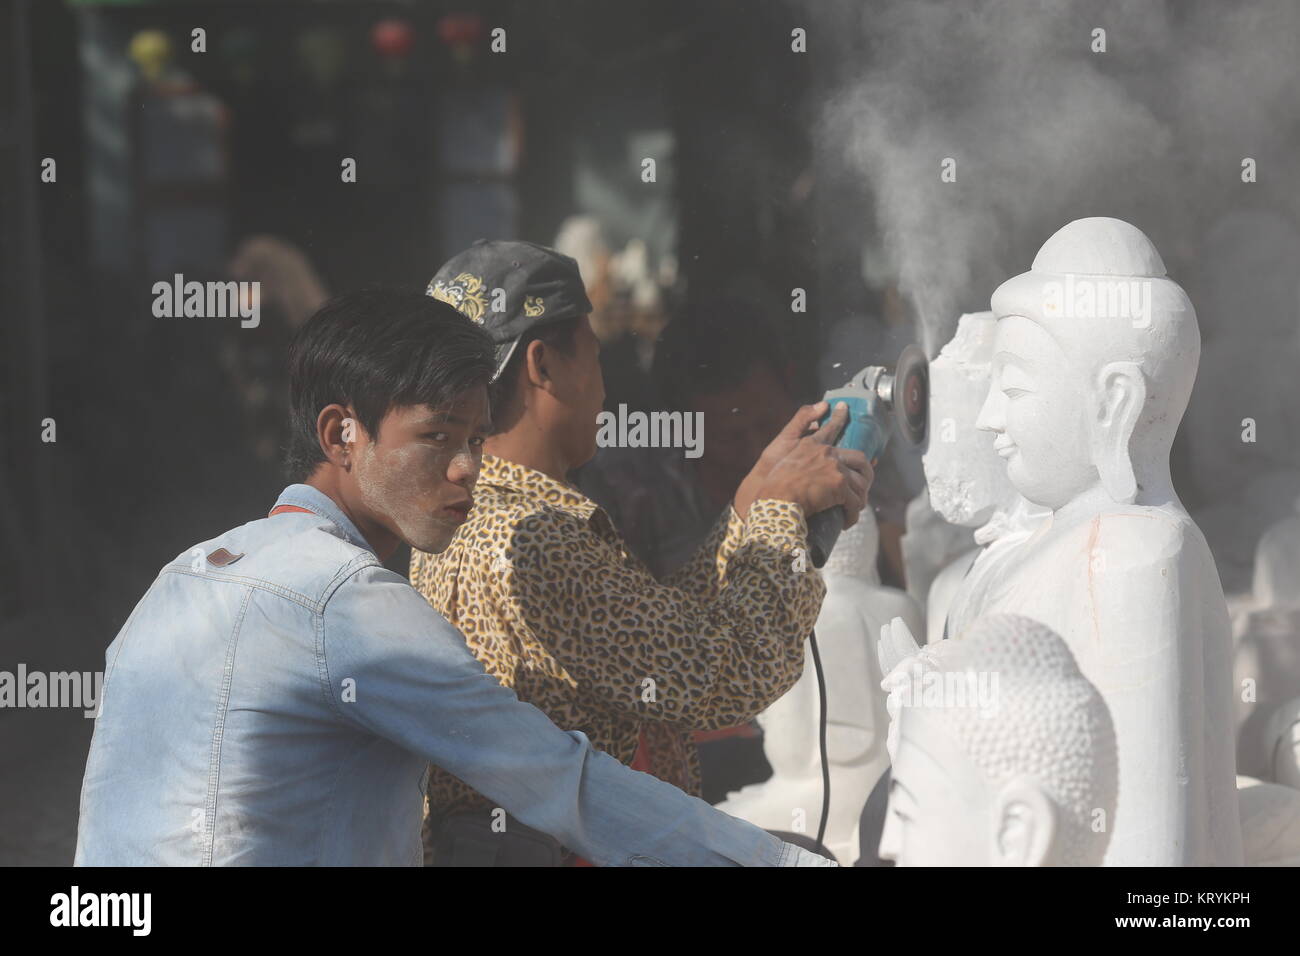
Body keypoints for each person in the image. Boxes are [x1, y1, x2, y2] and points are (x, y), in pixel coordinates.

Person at [74, 288, 832, 867]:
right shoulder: (352, 606)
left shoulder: (181, 579)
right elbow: (561, 783)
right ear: (342, 434)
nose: (467, 467)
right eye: (435, 437)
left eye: (474, 437)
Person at [413, 241, 872, 864]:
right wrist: (782, 517)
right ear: (543, 366)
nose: (605, 387)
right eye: (596, 355)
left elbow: (656, 636)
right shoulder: (534, 538)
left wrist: (749, 503)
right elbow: (726, 673)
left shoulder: (472, 510)